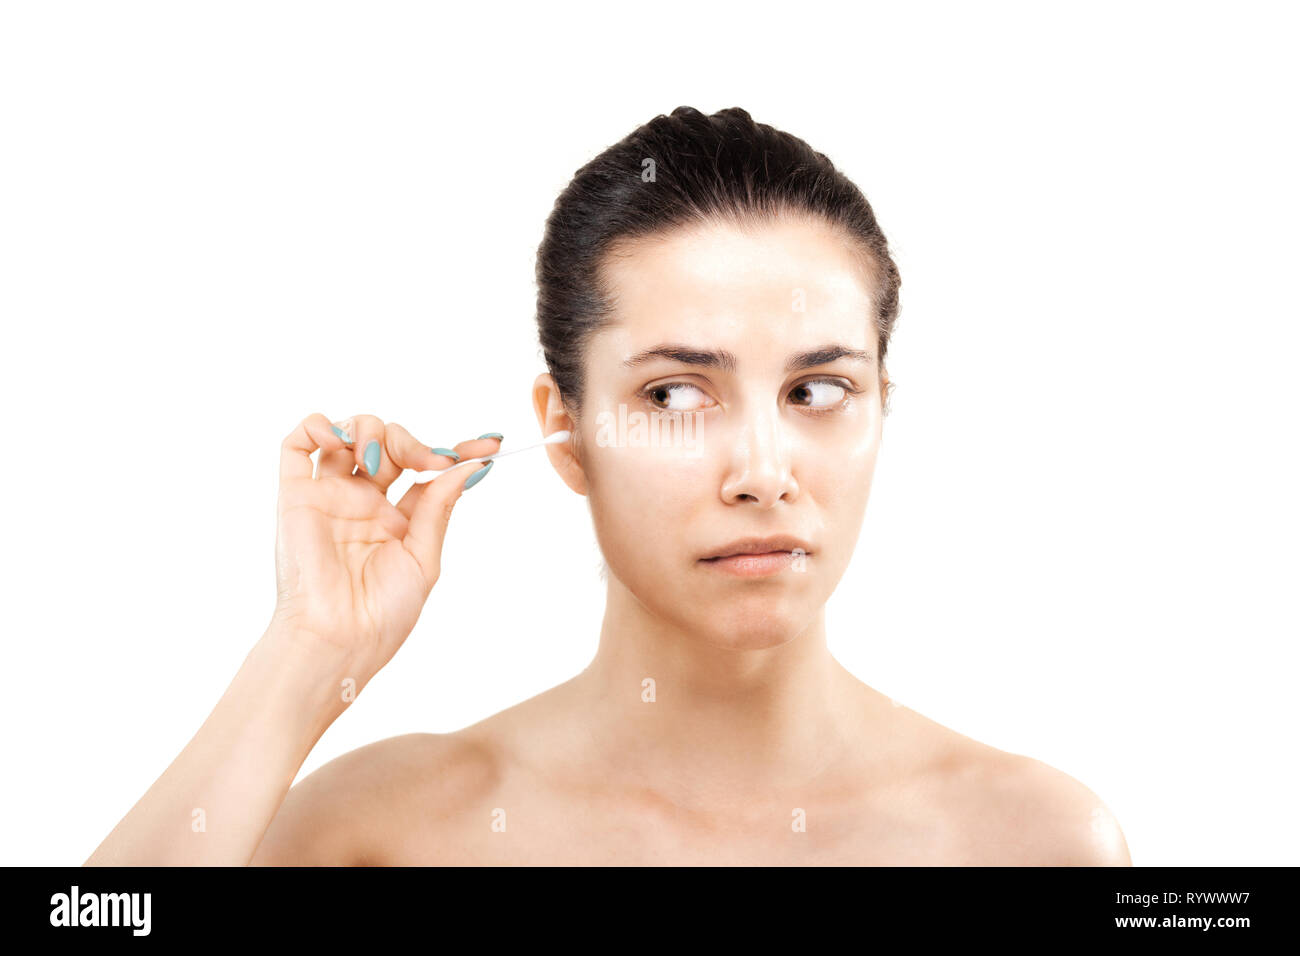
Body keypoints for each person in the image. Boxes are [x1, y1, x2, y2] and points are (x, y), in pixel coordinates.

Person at [86, 106, 1131, 866]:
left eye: (817, 388)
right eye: (675, 395)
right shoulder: (383, 832)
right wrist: (307, 654)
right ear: (567, 432)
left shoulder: (1032, 838)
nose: (763, 472)